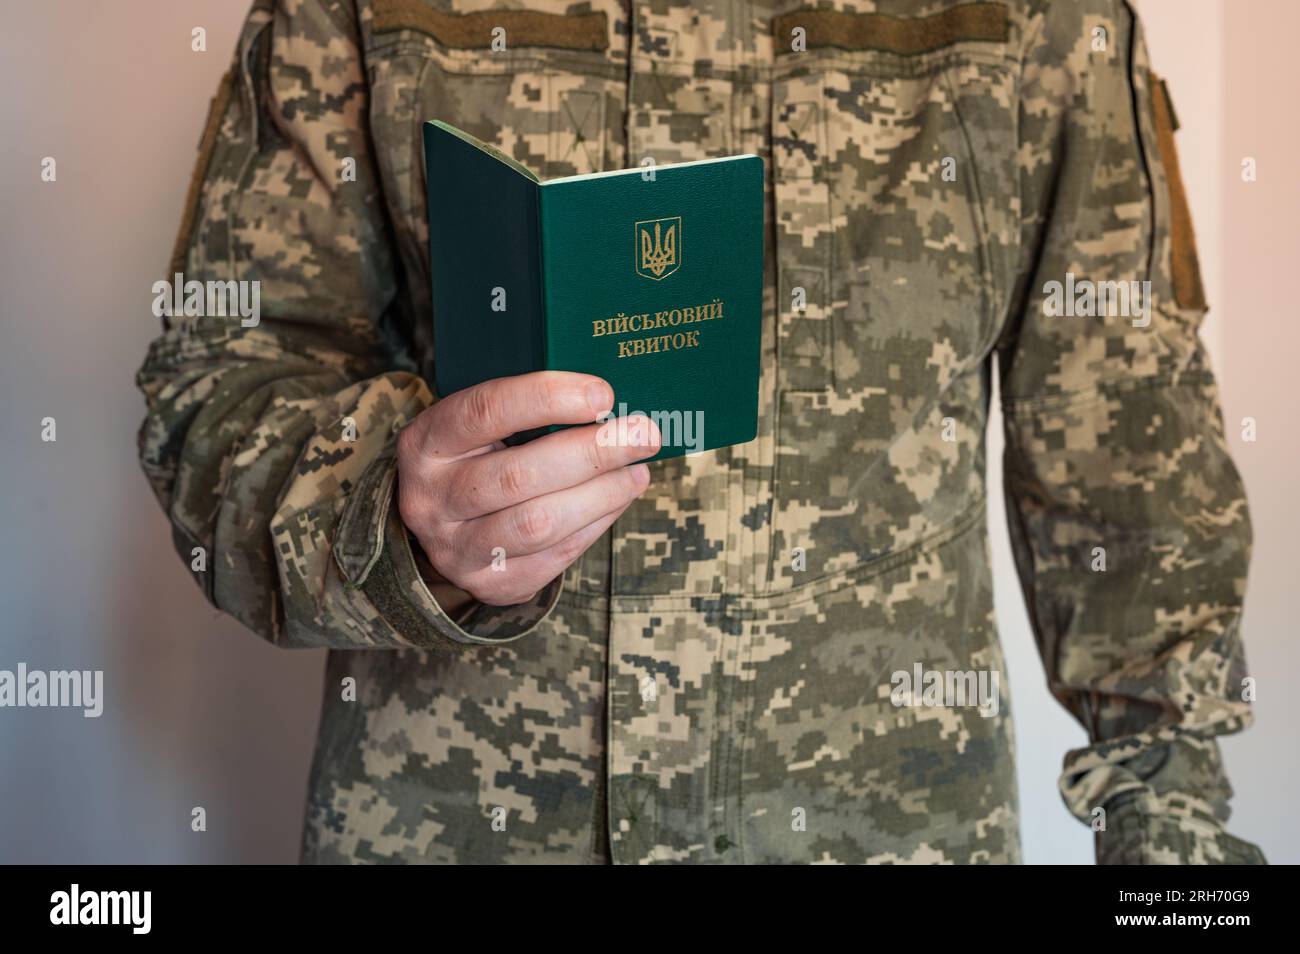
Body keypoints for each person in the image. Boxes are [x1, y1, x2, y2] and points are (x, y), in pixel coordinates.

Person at [136, 0, 1264, 864]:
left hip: (879, 829)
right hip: (454, 827)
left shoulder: (1041, 19)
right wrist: (387, 510)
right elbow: (218, 374)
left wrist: (1175, 868)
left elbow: (1131, 477)